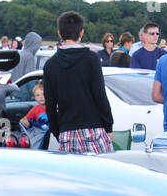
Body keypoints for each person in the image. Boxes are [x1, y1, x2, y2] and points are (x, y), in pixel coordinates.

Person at [43, 10, 114, 155]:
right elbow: (100, 95)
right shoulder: (91, 59)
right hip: (93, 129)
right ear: (81, 33)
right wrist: (108, 126)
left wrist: (57, 131)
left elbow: (50, 105)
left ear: (59, 33)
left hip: (66, 132)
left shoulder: (50, 65)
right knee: (101, 175)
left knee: (72, 177)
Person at [20, 79, 49, 149]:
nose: (41, 97)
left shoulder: (53, 107)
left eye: (43, 94)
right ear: (35, 98)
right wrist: (24, 121)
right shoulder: (35, 109)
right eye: (38, 95)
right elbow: (24, 119)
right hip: (40, 133)